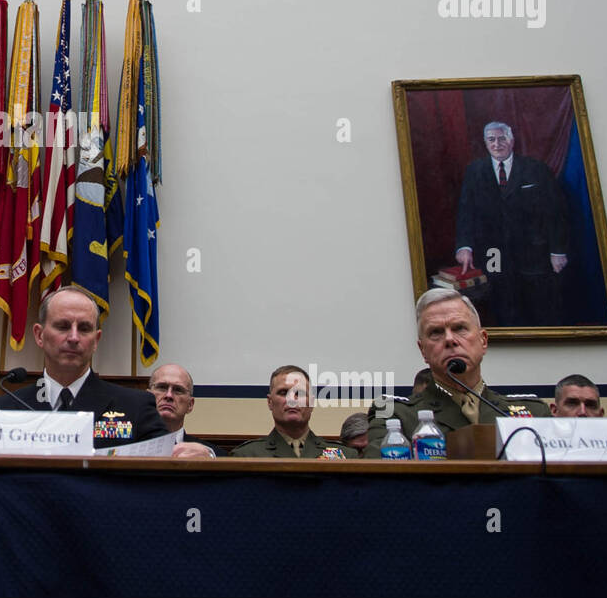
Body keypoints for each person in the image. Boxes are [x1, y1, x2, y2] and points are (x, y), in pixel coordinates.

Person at [366, 288, 550, 453]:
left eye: (459, 328)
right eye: (436, 332)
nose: (449, 340)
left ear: (483, 341)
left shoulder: (533, 413)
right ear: (423, 351)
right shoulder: (395, 414)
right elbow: (380, 483)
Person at [0, 286, 165, 449]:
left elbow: (168, 465)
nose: (74, 337)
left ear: (96, 341)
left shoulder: (135, 406)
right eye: (63, 326)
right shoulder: (1, 412)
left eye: (84, 328)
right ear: (39, 335)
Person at [454, 121, 570, 326]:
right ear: (485, 142)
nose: (497, 144)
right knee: (501, 299)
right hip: (493, 253)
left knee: (539, 305)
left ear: (512, 140)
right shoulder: (474, 171)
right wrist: (465, 246)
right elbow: (466, 211)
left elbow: (555, 213)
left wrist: (558, 250)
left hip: (533, 252)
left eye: (502, 138)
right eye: (491, 139)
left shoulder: (536, 169)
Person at [233, 366, 345, 458]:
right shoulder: (246, 455)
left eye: (299, 393)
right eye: (283, 392)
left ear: (311, 403)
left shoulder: (344, 455)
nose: (291, 399)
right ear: (270, 402)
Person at [148, 363, 219, 458]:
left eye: (178, 390)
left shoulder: (211, 454)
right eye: (162, 387)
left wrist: (209, 459)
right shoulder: (127, 447)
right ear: (147, 397)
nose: (168, 395)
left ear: (190, 404)